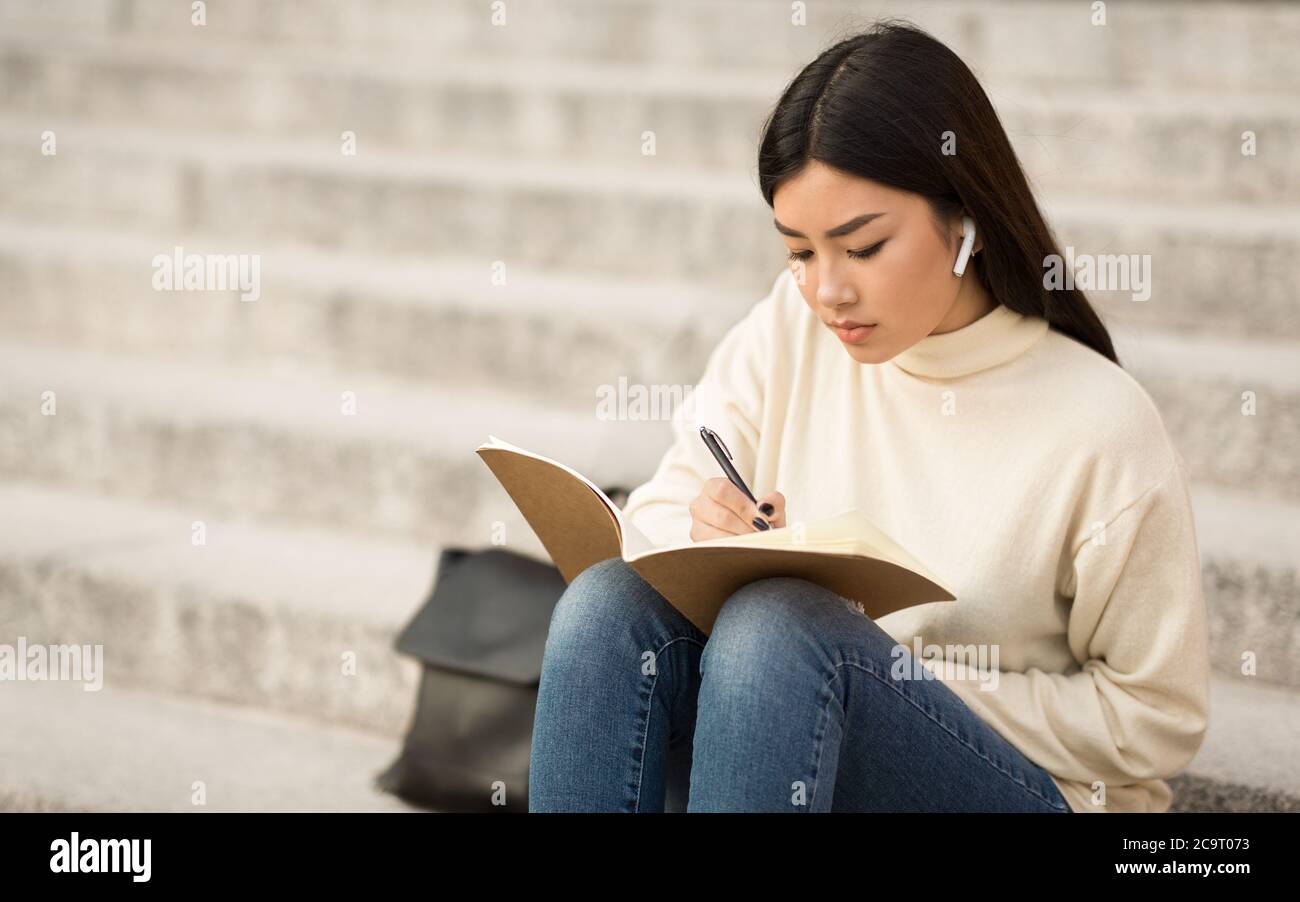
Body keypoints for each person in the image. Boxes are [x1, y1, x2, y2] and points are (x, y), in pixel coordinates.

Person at [528, 20, 1209, 813]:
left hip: (1024, 791)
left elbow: (1156, 719)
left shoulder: (1099, 425)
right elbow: (653, 517)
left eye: (863, 246)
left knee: (776, 633)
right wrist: (700, 533)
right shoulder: (789, 328)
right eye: (800, 250)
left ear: (966, 220)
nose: (828, 292)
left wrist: (886, 673)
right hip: (794, 732)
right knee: (606, 607)